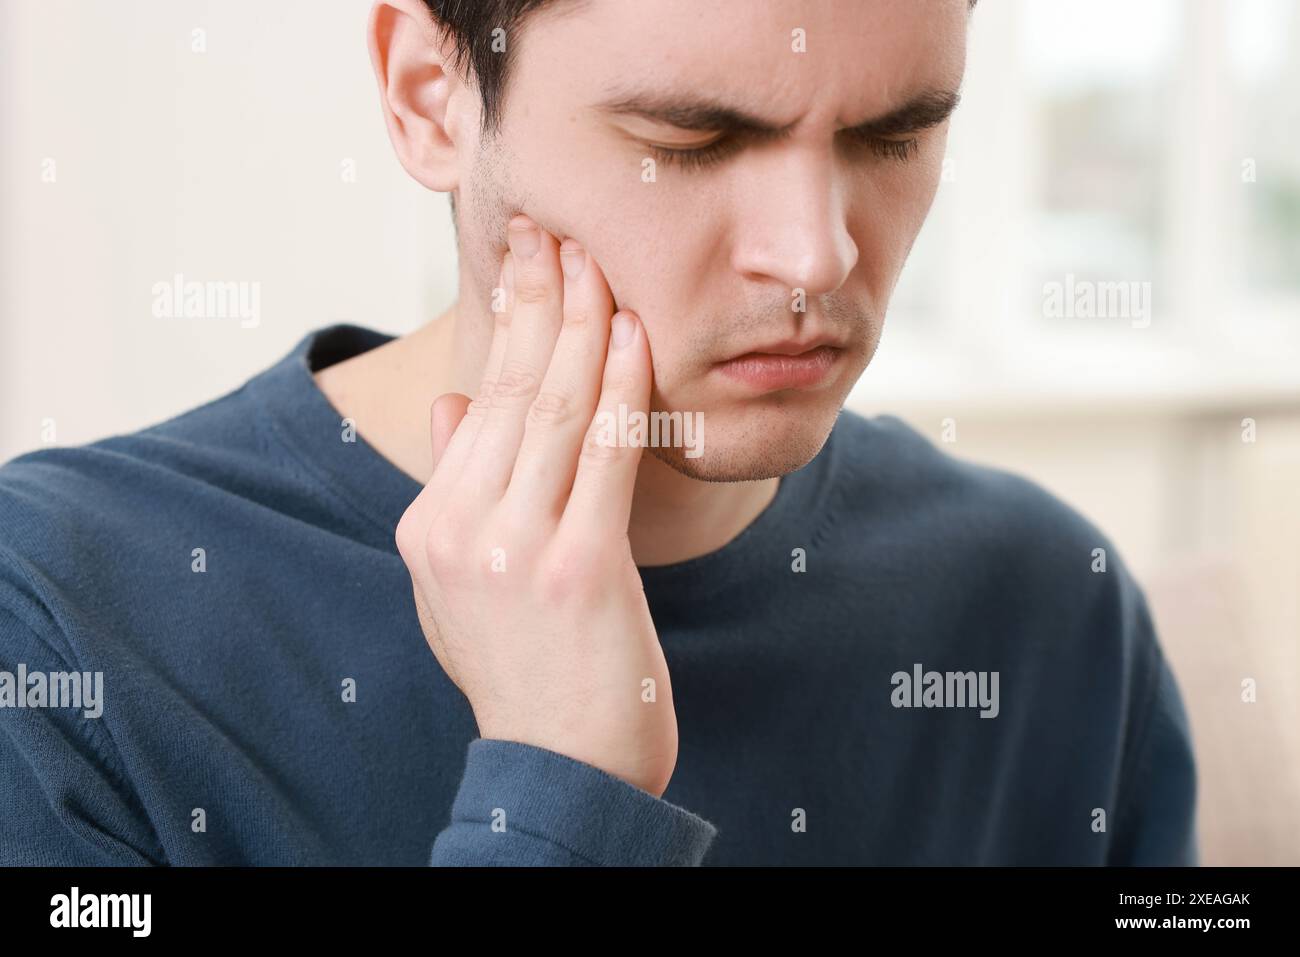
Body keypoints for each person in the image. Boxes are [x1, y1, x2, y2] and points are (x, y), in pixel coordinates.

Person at [0, 0, 1196, 866]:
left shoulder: (1052, 606)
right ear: (431, 98)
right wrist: (559, 793)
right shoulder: (59, 618)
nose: (817, 253)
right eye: (692, 141)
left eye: (892, 134)